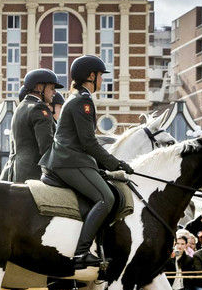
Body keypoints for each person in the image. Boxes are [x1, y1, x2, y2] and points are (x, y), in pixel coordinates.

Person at [40, 55, 134, 270]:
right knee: (106, 198)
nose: (102, 80)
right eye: (100, 75)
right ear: (91, 76)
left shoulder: (78, 97)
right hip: (70, 161)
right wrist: (116, 164)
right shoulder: (83, 101)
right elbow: (89, 143)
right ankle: (82, 253)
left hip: (70, 159)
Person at [7, 69, 59, 182]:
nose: (55, 92)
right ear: (40, 88)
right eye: (52, 88)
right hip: (35, 175)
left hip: (19, 172)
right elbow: (47, 147)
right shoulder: (39, 108)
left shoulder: (21, 107)